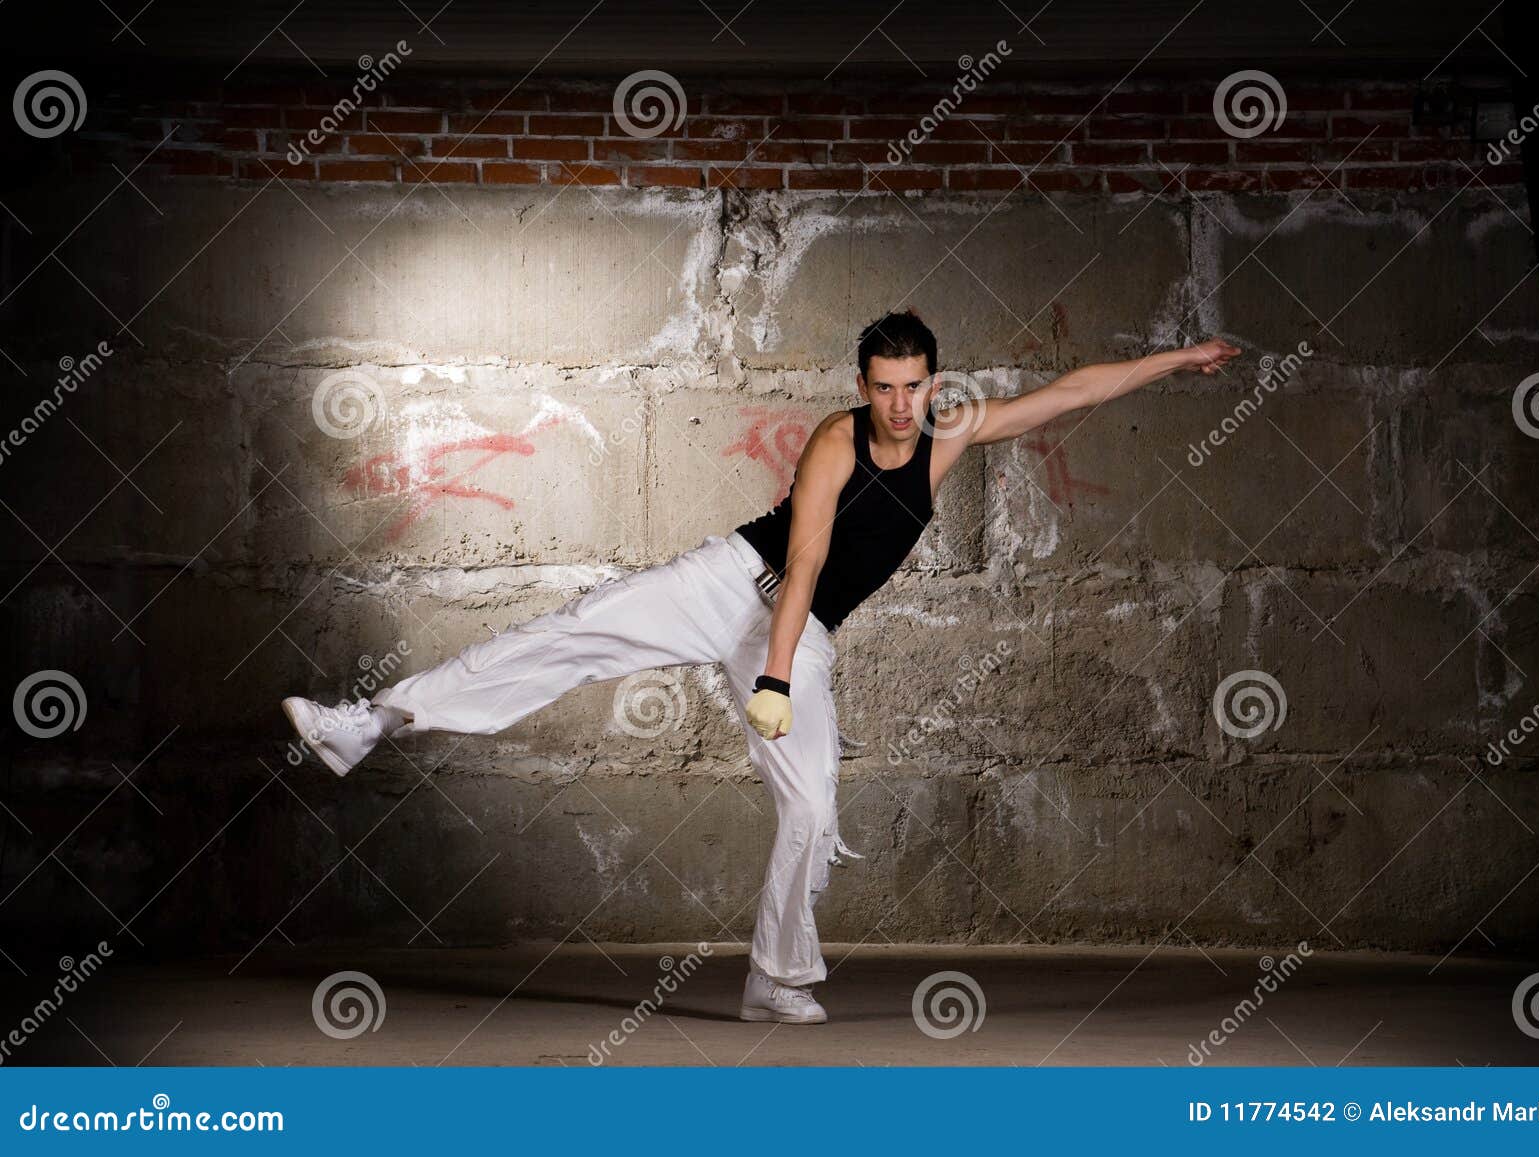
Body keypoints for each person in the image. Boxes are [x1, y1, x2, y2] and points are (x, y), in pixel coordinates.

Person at [282, 310, 1241, 1025]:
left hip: (800, 634)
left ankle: (773, 977)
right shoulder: (837, 438)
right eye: (883, 387)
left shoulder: (951, 432)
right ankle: (367, 721)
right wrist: (772, 679)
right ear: (862, 385)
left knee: (816, 807)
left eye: (914, 385)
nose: (900, 404)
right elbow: (808, 558)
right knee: (570, 634)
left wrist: (1176, 360)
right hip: (734, 584)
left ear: (934, 382)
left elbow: (1073, 392)